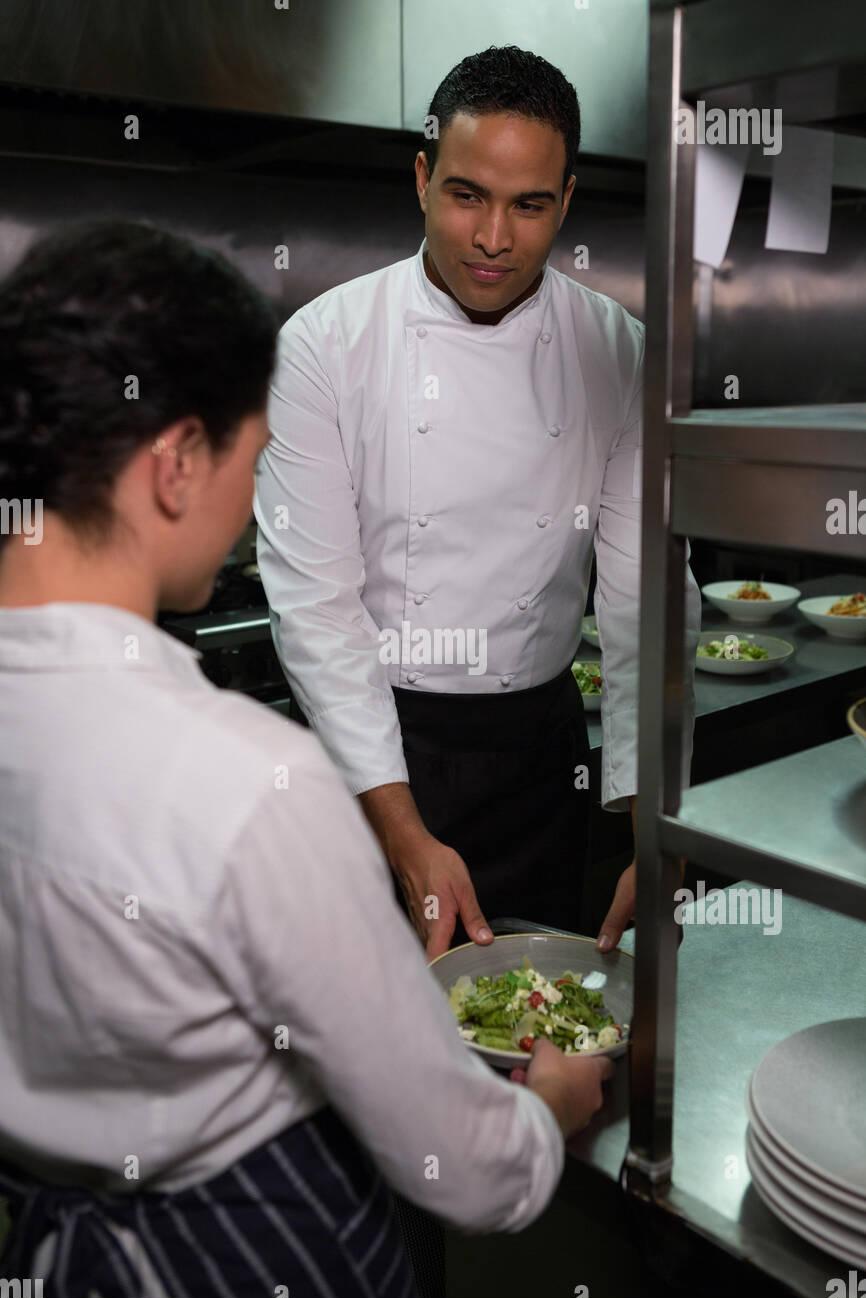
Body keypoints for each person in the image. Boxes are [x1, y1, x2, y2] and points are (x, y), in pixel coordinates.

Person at [0, 219, 615, 1298]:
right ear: (179, 464)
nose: (255, 498)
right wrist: (554, 1100)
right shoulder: (247, 789)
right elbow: (470, 1171)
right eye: (258, 444)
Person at [255, 45, 700, 964]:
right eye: (467, 195)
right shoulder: (325, 345)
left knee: (537, 1035)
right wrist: (404, 835)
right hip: (369, 747)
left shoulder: (621, 352)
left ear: (566, 202)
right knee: (364, 1042)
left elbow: (642, 595)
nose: (494, 236)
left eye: (529, 204)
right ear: (422, 178)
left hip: (535, 754)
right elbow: (317, 610)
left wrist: (654, 829)